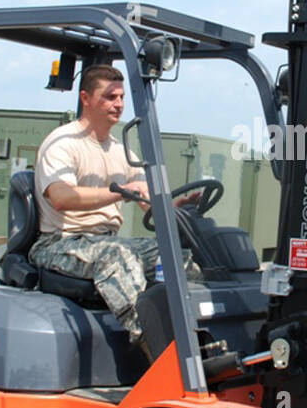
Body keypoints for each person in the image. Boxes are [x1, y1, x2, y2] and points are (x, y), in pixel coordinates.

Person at [28, 64, 196, 351]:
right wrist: (118, 193)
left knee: (179, 256)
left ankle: (194, 338)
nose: (118, 104)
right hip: (61, 242)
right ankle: (156, 347)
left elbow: (145, 198)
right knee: (117, 257)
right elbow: (62, 197)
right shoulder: (62, 144)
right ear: (86, 99)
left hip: (103, 241)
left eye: (120, 97)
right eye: (109, 97)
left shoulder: (120, 150)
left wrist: (172, 208)